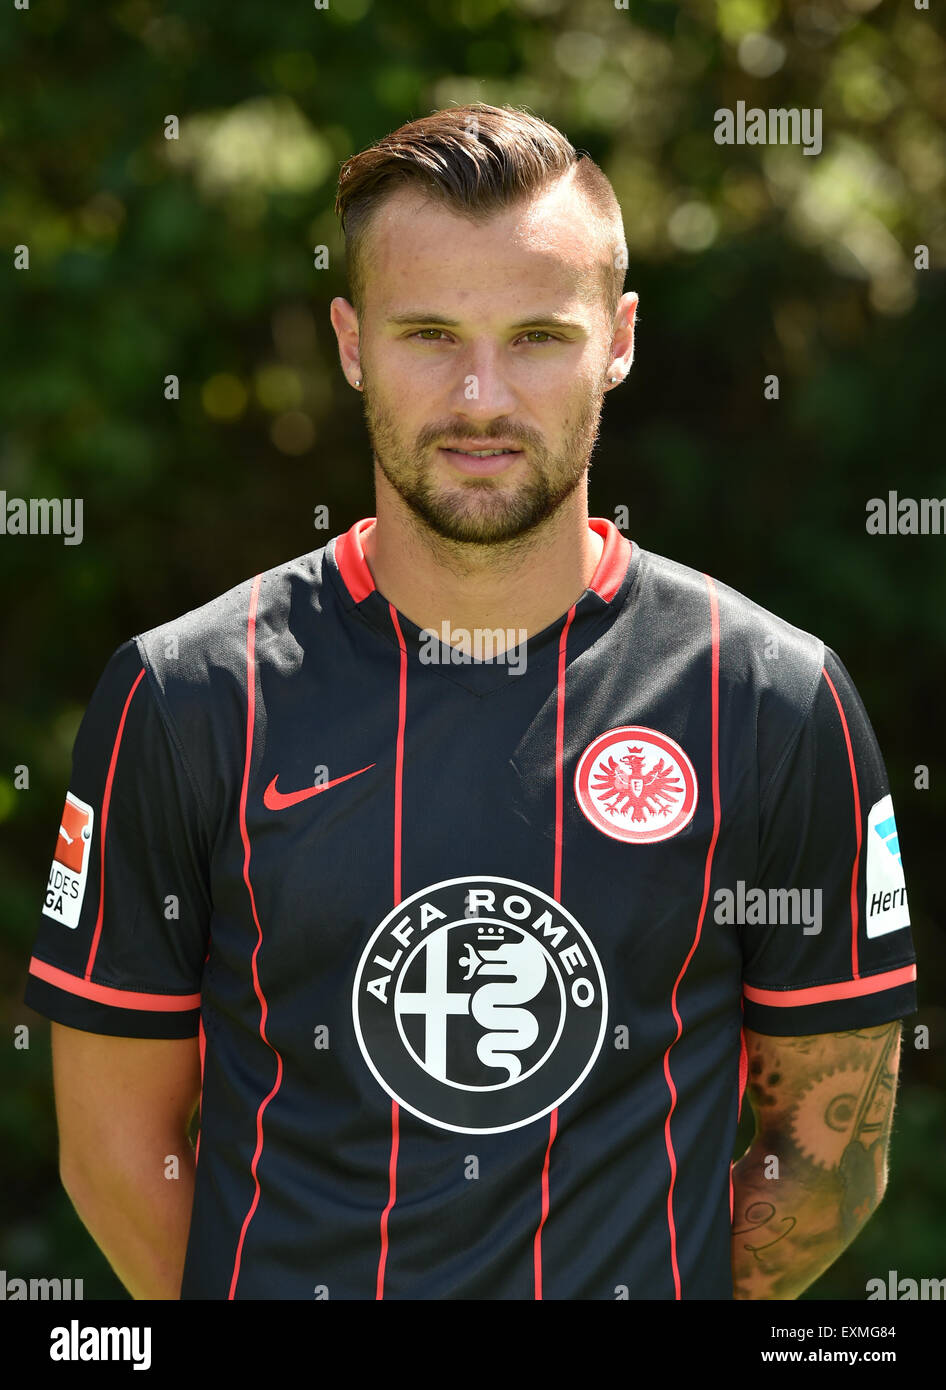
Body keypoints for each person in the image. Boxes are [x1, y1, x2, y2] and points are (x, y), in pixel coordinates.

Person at [25, 103, 917, 1300]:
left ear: (620, 339)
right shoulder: (186, 697)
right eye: (430, 333)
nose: (482, 395)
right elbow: (118, 1152)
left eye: (540, 336)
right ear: (350, 343)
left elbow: (829, 1158)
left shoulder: (771, 697)